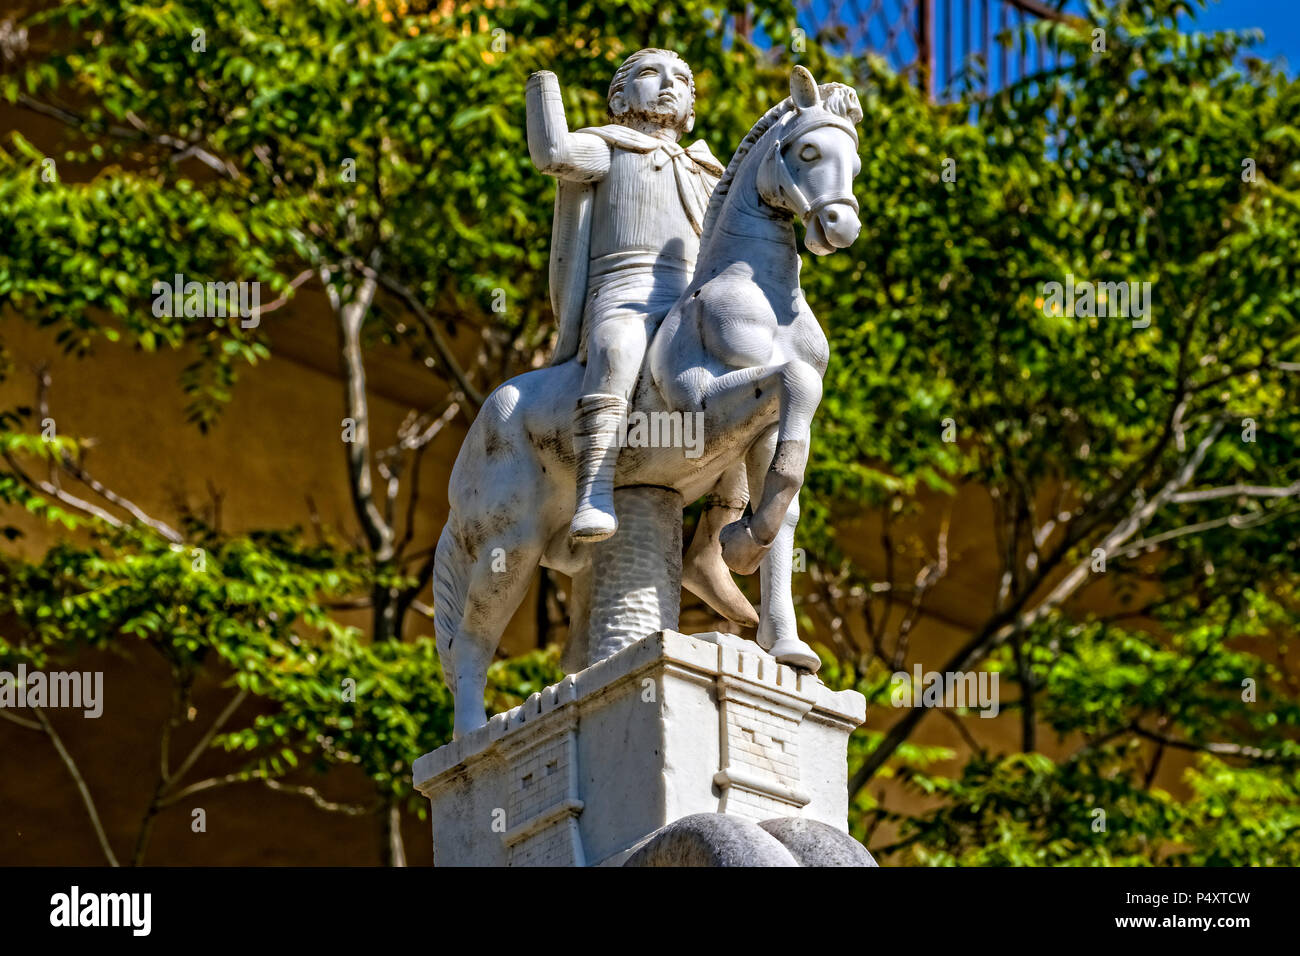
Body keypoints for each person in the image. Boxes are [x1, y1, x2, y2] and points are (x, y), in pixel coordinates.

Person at [526, 49, 723, 541]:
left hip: (692, 304)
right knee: (618, 347)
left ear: (692, 111)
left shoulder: (709, 172)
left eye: (681, 79)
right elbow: (552, 153)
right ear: (618, 97)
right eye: (650, 74)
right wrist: (543, 86)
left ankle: (724, 522)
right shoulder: (608, 148)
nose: (668, 84)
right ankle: (594, 486)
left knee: (754, 371)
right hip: (625, 295)